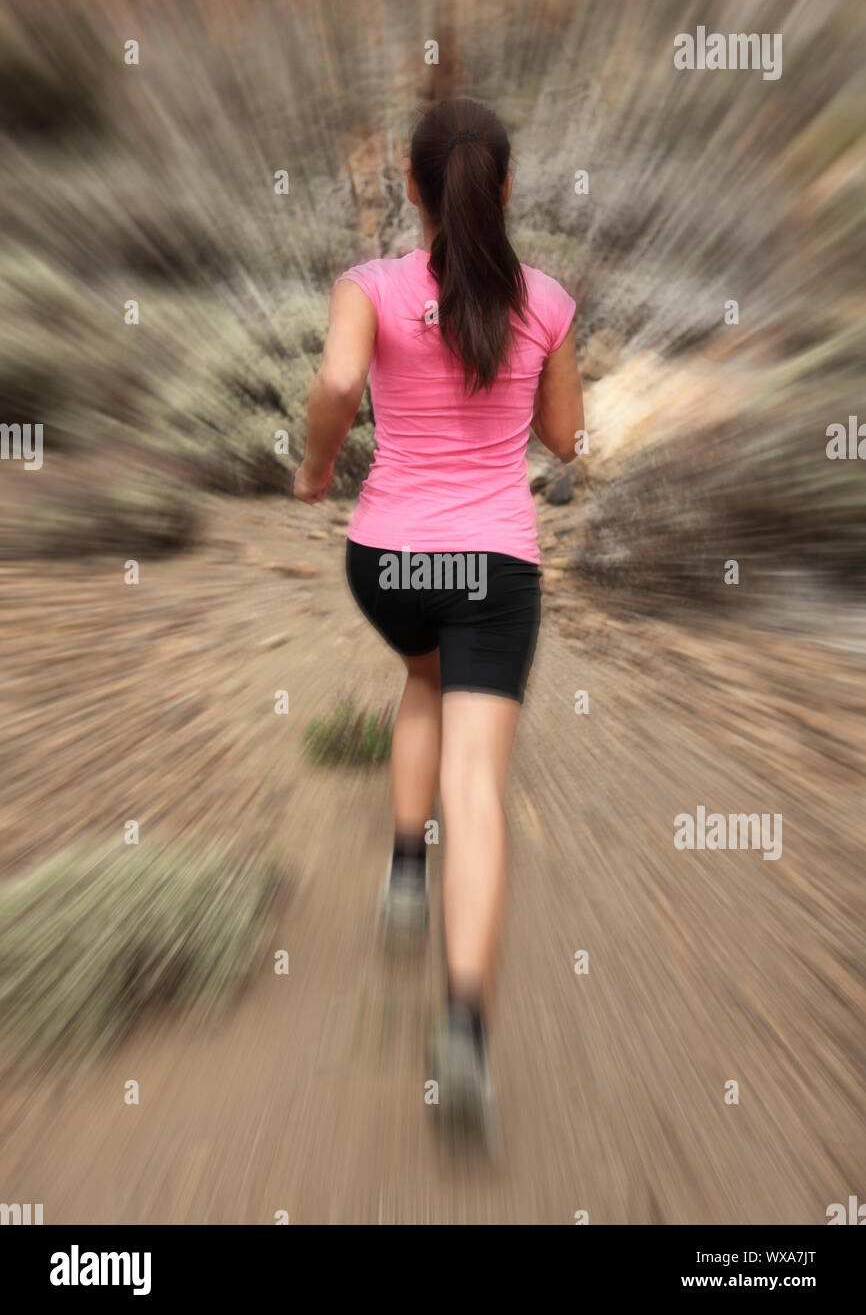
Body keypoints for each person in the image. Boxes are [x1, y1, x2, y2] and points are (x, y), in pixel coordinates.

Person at [293, 96, 583, 1144]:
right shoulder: (545, 298)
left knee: (418, 681)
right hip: (494, 563)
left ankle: (404, 876)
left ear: (412, 190)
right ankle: (463, 1030)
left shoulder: (365, 288)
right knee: (480, 780)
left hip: (390, 557)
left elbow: (333, 381)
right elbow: (559, 439)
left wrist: (318, 462)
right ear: (503, 189)